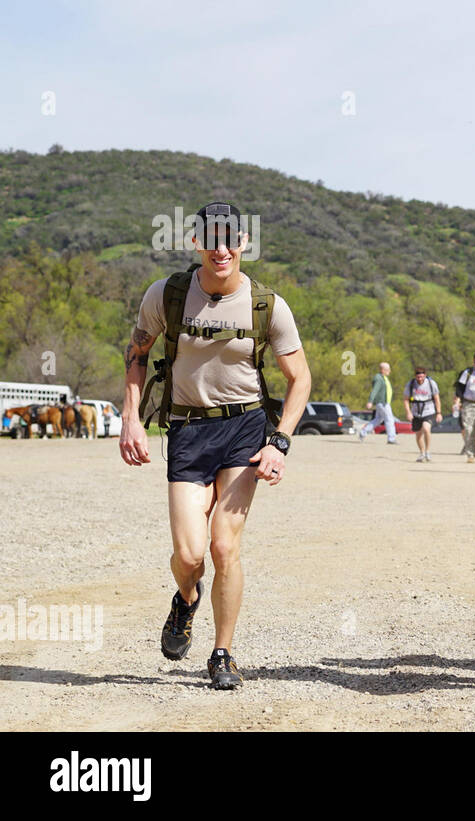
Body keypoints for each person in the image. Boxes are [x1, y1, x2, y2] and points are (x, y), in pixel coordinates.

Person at [119, 201, 311, 690]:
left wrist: (280, 443)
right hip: (186, 429)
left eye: (231, 238)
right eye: (212, 238)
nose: (221, 248)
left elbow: (300, 379)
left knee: (224, 546)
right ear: (196, 241)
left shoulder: (268, 306)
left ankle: (222, 654)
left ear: (244, 243)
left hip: (244, 430)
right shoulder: (168, 295)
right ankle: (186, 600)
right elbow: (137, 352)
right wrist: (130, 418)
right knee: (189, 556)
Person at [403, 367, 442, 462]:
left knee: (426, 428)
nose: (420, 379)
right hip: (416, 411)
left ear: (425, 375)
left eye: (421, 376)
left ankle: (428, 451)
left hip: (428, 410)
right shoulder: (411, 384)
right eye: (418, 377)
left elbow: (437, 398)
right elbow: (406, 399)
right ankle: (422, 452)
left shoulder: (431, 384)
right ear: (415, 376)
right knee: (418, 434)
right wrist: (408, 412)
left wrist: (439, 413)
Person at [358, 362, 397, 444]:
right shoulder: (379, 378)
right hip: (382, 403)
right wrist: (370, 401)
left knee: (378, 419)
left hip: (384, 403)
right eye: (388, 369)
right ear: (383, 370)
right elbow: (374, 390)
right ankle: (391, 438)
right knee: (389, 419)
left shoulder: (383, 378)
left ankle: (363, 432)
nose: (389, 371)